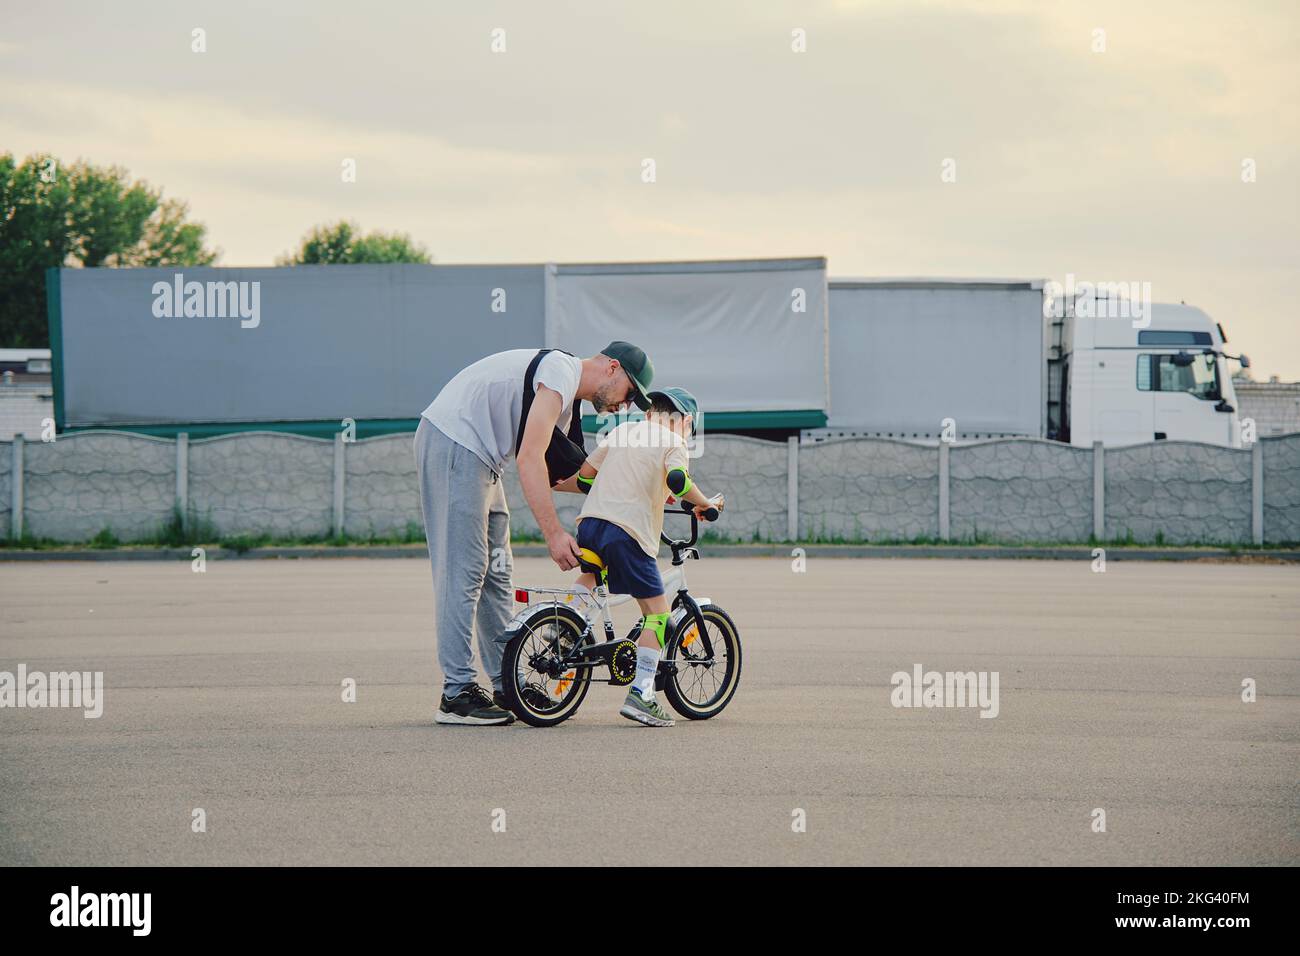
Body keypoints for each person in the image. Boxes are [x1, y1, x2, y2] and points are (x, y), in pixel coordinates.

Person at [416, 342, 655, 725]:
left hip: (482, 459)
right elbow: (529, 458)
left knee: (497, 573)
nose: (625, 406)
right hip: (455, 443)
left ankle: (504, 685)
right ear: (613, 368)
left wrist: (636, 489)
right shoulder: (560, 373)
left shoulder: (564, 405)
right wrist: (554, 534)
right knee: (464, 570)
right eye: (631, 394)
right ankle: (457, 693)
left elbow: (563, 478)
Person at [552, 387, 724, 727]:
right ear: (687, 422)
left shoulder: (623, 431)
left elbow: (587, 478)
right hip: (628, 532)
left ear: (648, 414)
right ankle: (642, 694)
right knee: (657, 614)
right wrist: (705, 503)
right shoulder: (673, 442)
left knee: (592, 573)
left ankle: (566, 624)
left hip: (590, 523)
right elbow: (677, 479)